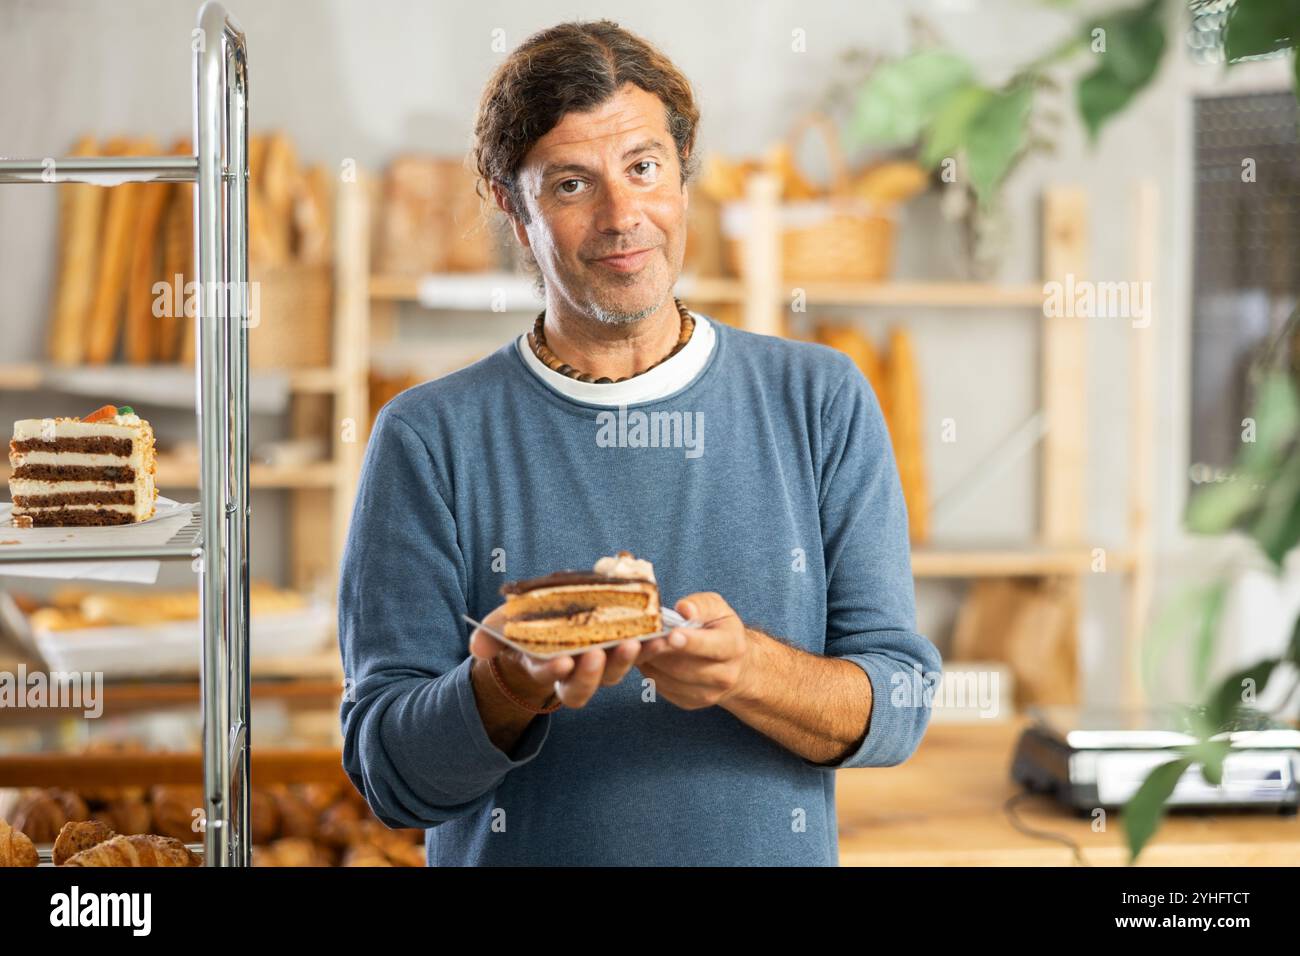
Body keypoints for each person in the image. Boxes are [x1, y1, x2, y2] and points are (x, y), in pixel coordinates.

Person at [339, 18, 942, 866]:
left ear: (684, 181)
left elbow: (902, 701)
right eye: (572, 185)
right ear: (515, 210)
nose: (624, 217)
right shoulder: (428, 436)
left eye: (644, 168)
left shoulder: (821, 399)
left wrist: (747, 672)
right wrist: (503, 689)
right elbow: (386, 774)